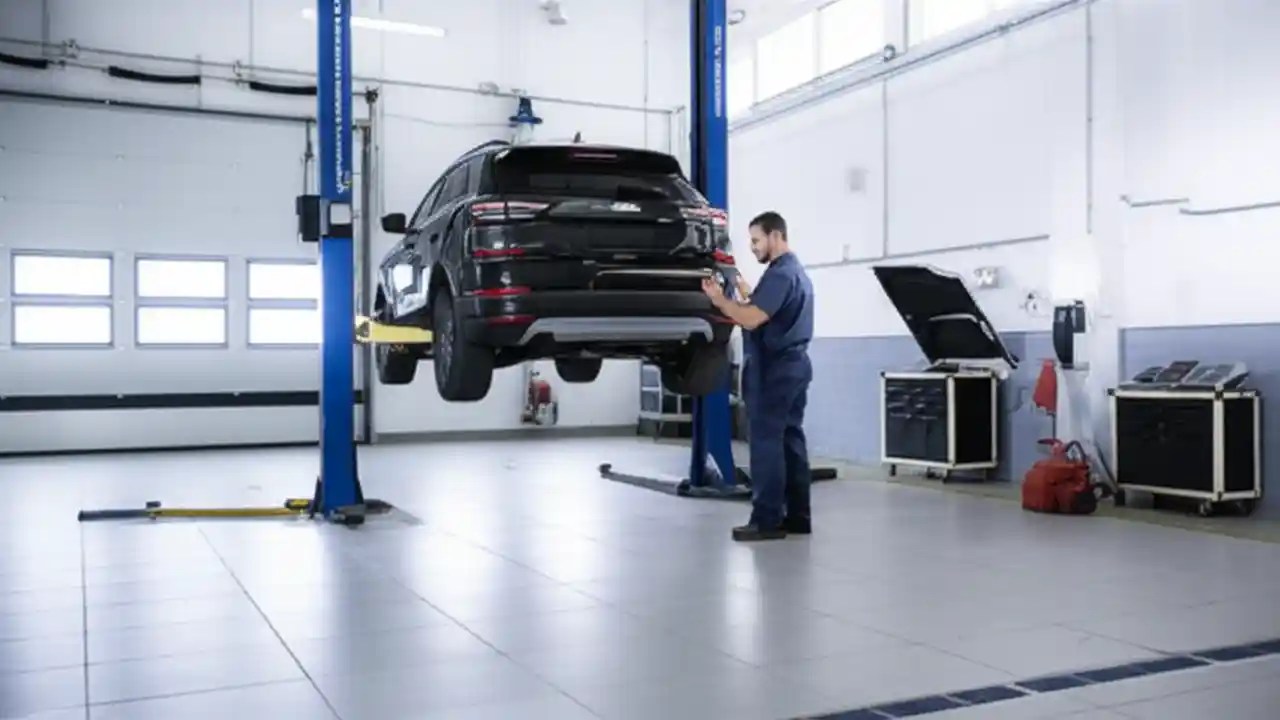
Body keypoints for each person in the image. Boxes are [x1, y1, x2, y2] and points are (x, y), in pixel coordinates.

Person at [701, 211, 815, 542]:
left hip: (774, 370)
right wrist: (740, 286)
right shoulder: (796, 273)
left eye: (756, 240)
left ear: (775, 236)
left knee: (766, 442)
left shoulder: (780, 274)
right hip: (795, 367)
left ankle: (766, 520)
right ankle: (797, 517)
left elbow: (751, 319)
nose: (752, 247)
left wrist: (719, 301)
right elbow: (763, 306)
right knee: (790, 440)